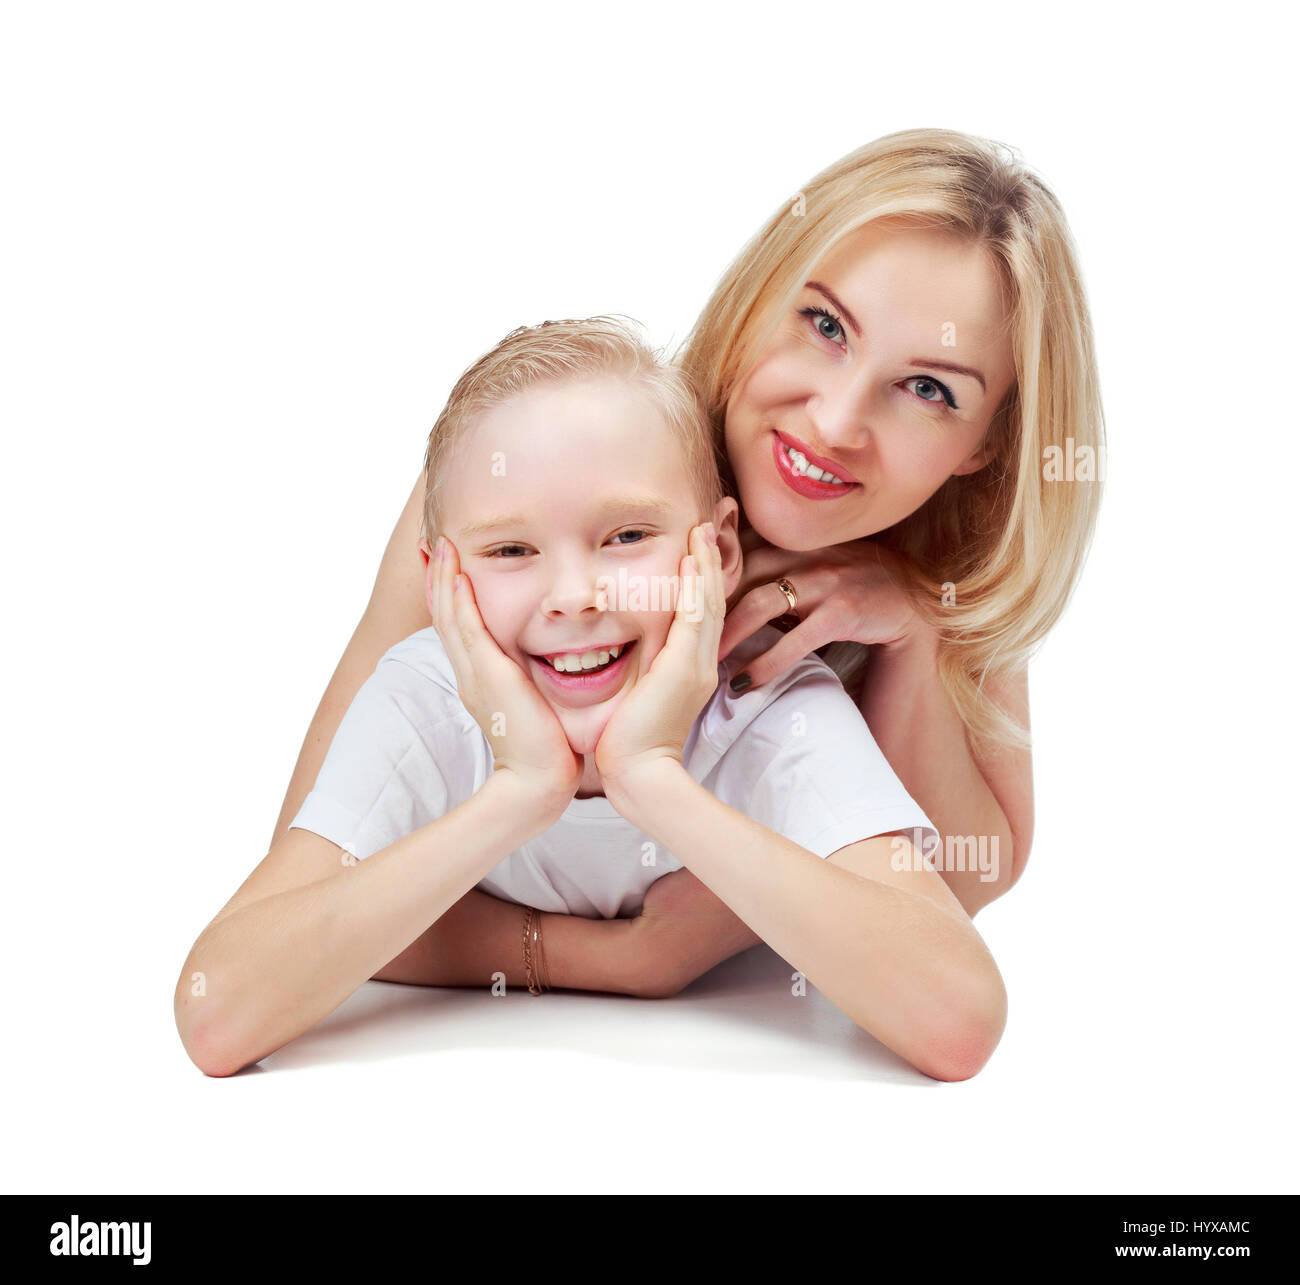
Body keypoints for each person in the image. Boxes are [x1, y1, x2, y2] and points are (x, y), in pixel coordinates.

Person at [264, 127, 1103, 1014]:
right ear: (756, 300)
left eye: (931, 389)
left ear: (987, 447)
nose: (835, 420)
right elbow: (303, 897)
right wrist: (618, 959)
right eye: (824, 326)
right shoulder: (537, 482)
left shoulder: (950, 561)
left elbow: (965, 890)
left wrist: (913, 629)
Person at [175, 317, 1003, 1081]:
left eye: (627, 536)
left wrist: (652, 777)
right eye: (510, 548)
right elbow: (216, 1014)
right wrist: (518, 792)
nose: (573, 596)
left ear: (716, 553)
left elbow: (960, 1018)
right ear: (439, 583)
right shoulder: (422, 701)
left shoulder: (771, 705)